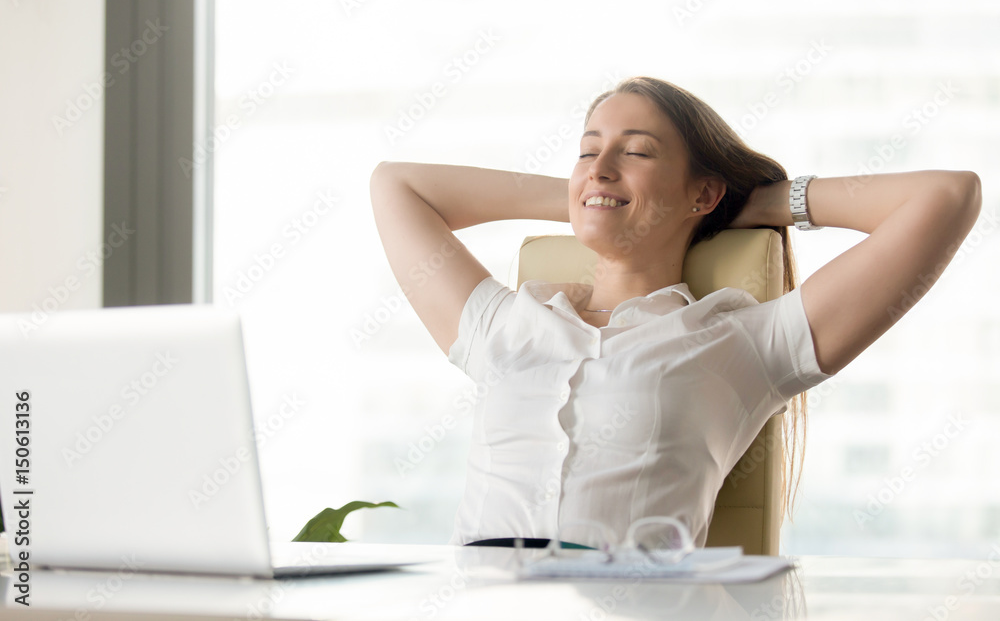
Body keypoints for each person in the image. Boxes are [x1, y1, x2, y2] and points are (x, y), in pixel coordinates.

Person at [369, 76, 982, 549]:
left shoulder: (743, 344)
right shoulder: (503, 325)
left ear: (703, 192)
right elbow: (395, 184)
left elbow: (947, 195)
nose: (600, 165)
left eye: (636, 151)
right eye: (587, 151)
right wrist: (593, 197)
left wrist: (747, 205)